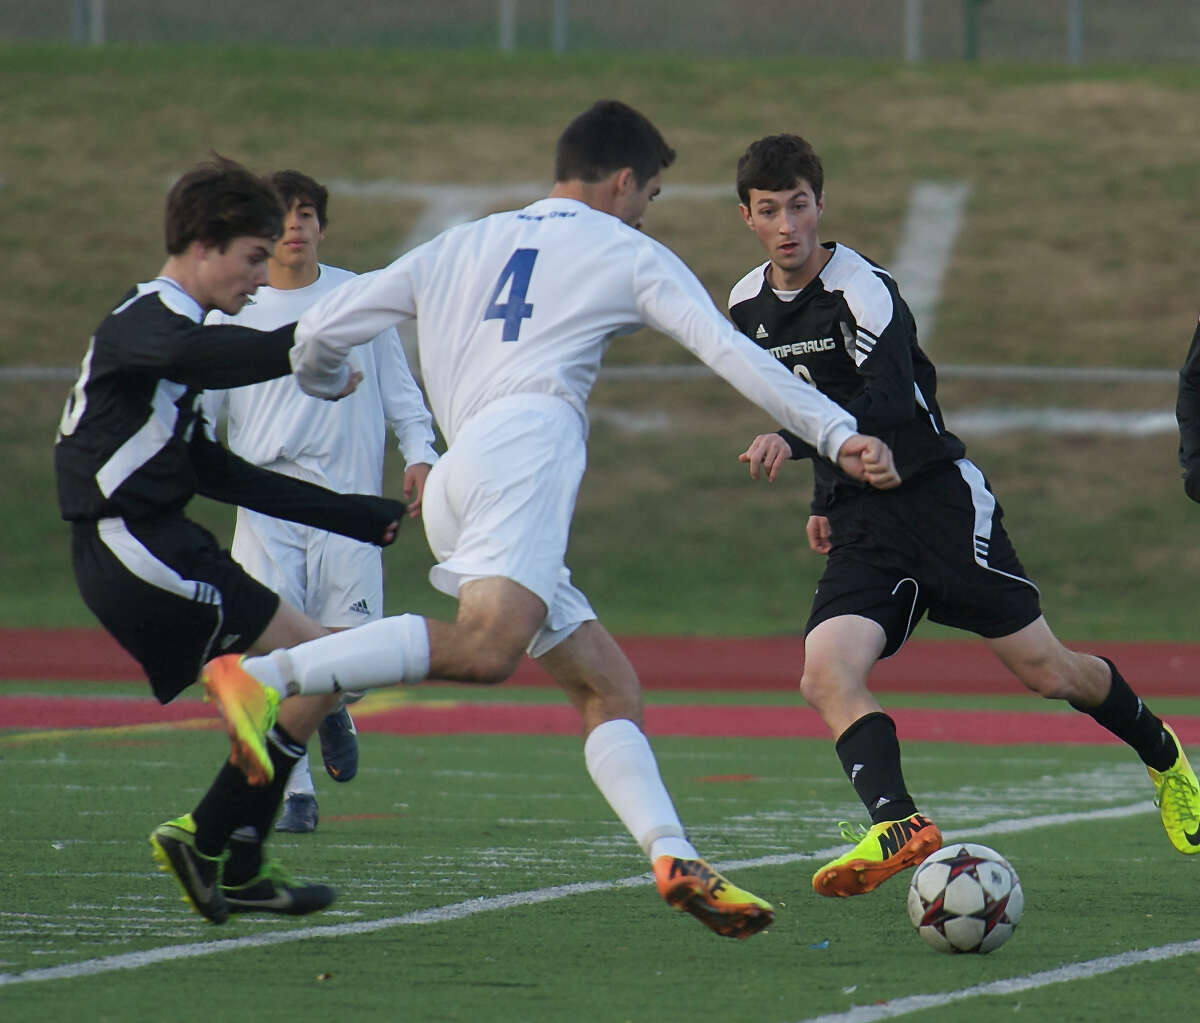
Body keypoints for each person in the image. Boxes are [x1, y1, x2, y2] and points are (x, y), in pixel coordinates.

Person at [200, 100, 902, 941]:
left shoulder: (458, 241)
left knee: (609, 687)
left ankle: (673, 852)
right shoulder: (621, 247)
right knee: (488, 649)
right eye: (650, 193)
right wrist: (836, 432)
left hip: (463, 477)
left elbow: (319, 331)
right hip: (526, 450)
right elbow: (734, 352)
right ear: (621, 180)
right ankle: (265, 678)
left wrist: (318, 379)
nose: (648, 210)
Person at [728, 133, 1200, 898]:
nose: (788, 225)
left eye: (800, 205)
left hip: (938, 504)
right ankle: (899, 821)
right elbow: (799, 392)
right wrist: (824, 494)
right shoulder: (744, 304)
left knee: (1050, 672)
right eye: (770, 210)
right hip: (863, 524)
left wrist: (794, 439)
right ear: (746, 218)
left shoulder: (863, 287)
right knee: (825, 672)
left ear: (822, 203)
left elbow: (880, 397)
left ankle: (1164, 754)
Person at [53, 155, 406, 923]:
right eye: (252, 257)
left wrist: (351, 514)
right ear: (206, 244)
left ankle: (231, 852)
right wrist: (304, 340)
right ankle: (227, 762)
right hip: (130, 549)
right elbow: (194, 358)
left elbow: (220, 471)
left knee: (322, 668)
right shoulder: (150, 318)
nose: (260, 276)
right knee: (290, 673)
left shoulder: (178, 341)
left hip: (166, 543)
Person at [205, 169, 438, 834]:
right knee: (264, 649)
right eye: (282, 217)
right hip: (267, 501)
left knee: (353, 650)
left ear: (322, 227)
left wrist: (421, 452)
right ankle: (295, 791)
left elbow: (400, 391)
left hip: (345, 502)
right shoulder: (236, 309)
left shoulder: (357, 299)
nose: (295, 227)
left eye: (307, 214)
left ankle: (337, 703)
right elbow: (206, 407)